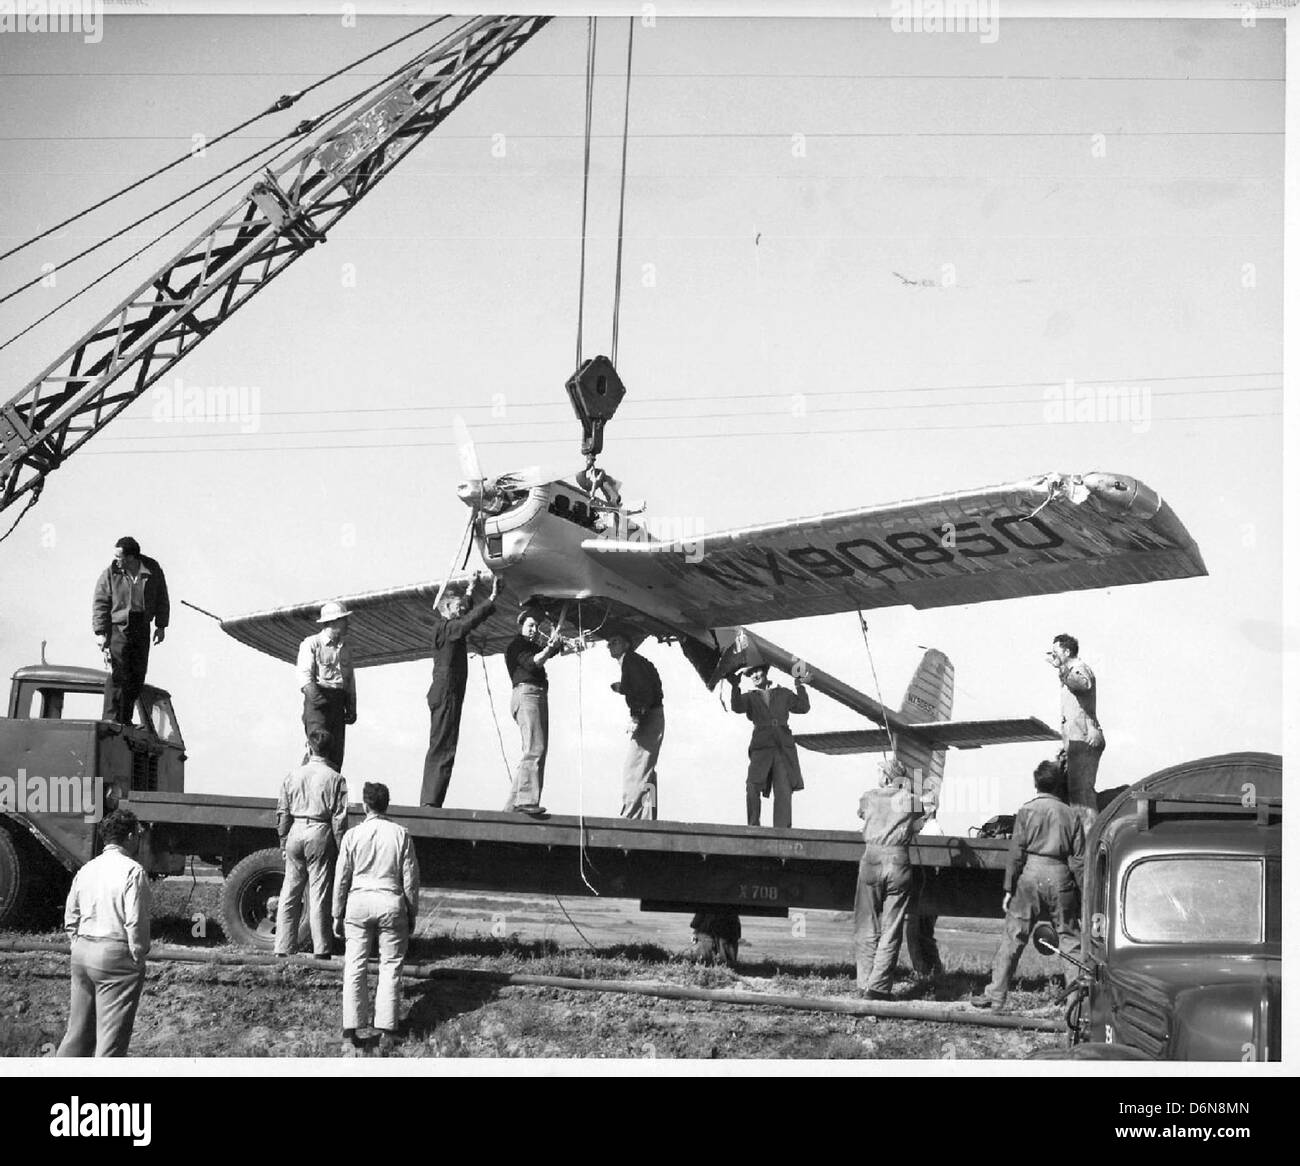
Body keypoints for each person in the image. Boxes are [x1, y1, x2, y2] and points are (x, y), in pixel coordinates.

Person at [973, 759, 1086, 1012]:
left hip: (1030, 876)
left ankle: (997, 998)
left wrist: (1008, 888)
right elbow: (1078, 861)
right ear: (1059, 785)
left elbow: (1016, 854)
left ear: (1036, 784)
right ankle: (1077, 1007)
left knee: (1013, 938)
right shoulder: (1071, 814)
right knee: (1070, 941)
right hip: (1060, 876)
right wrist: (1082, 893)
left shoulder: (1026, 811)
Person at [333, 782, 420, 1054]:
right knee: (390, 966)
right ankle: (386, 1031)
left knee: (355, 965)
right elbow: (410, 879)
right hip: (390, 902)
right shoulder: (401, 835)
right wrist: (411, 911)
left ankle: (350, 1031)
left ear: (364, 805)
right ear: (387, 804)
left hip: (359, 902)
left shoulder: (352, 835)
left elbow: (342, 878)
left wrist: (337, 913)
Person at [57, 809, 151, 1057]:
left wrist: (77, 943)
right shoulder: (133, 871)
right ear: (130, 836)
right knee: (110, 1042)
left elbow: (71, 916)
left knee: (76, 1035)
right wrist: (138, 954)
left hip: (82, 951)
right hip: (115, 954)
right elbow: (135, 922)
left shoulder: (87, 869)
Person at [420, 573, 499, 807]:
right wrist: (492, 598)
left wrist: (470, 589)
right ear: (445, 608)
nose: (461, 609)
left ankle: (431, 800)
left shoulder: (445, 627)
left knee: (440, 745)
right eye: (456, 606)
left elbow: (464, 612)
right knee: (444, 747)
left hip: (442, 692)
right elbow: (467, 621)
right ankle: (431, 803)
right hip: (447, 693)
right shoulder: (448, 628)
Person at [854, 760, 927, 999]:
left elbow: (861, 812)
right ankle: (879, 987)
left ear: (886, 777)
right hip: (898, 861)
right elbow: (921, 813)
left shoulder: (868, 797)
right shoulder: (910, 799)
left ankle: (864, 983)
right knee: (892, 927)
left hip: (871, 859)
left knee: (867, 923)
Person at [275, 728, 350, 959]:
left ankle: (283, 946)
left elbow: (283, 812)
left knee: (290, 891)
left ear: (308, 747)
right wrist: (340, 848)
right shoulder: (336, 778)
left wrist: (283, 840)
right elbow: (339, 819)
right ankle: (322, 949)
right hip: (320, 830)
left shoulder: (292, 775)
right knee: (319, 893)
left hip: (296, 829)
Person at [92, 536, 169, 725]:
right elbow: (100, 602)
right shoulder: (111, 573)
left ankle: (125, 719)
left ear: (132, 557)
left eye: (121, 557)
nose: (117, 561)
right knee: (119, 672)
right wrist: (101, 632)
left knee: (137, 674)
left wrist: (161, 625)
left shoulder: (153, 569)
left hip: (142, 624)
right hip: (119, 626)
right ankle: (111, 719)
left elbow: (162, 597)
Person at [728, 664, 810, 828]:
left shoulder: (784, 693)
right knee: (752, 786)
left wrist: (799, 685)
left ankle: (782, 831)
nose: (754, 676)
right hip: (761, 747)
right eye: (751, 674)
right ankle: (753, 826)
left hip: (782, 748)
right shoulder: (750, 697)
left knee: (783, 789)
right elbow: (736, 707)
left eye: (757, 672)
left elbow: (803, 707)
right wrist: (735, 686)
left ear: (765, 672)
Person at [503, 608, 563, 816]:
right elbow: (533, 662)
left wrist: (556, 640)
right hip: (528, 694)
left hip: (534, 695)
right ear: (521, 626)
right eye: (530, 626)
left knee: (534, 748)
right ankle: (526, 800)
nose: (534, 630)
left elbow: (549, 652)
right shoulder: (517, 646)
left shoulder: (529, 645)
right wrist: (549, 648)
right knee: (535, 748)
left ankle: (512, 806)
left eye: (536, 627)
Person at [1048, 633, 1104, 830]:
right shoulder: (1071, 671)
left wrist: (1063, 670)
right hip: (1077, 740)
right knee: (1075, 797)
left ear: (1066, 651)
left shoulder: (1079, 669)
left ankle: (1090, 848)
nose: (1053, 656)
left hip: (1084, 740)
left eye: (1055, 652)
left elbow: (1083, 685)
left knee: (1082, 799)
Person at [607, 631, 664, 820]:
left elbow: (644, 691)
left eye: (615, 641)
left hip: (648, 716)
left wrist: (637, 717)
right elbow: (645, 685)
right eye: (609, 643)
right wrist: (623, 687)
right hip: (654, 714)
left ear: (626, 644)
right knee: (646, 769)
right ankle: (648, 815)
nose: (610, 645)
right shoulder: (635, 662)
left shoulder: (630, 662)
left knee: (635, 767)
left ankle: (631, 815)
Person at [296, 601, 356, 770]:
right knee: (317, 751)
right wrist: (318, 701)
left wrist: (351, 706)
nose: (347, 623)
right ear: (333, 621)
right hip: (318, 702)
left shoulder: (345, 648)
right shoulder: (311, 643)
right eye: (344, 620)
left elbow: (350, 680)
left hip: (338, 703)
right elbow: (304, 676)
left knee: (335, 755)